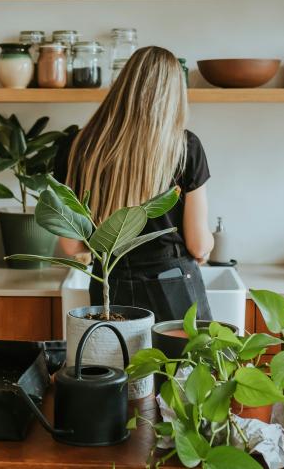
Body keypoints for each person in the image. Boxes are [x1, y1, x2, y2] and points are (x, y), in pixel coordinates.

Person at [53, 46, 214, 321]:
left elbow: (70, 245)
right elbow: (198, 244)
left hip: (109, 284)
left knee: (116, 363)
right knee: (183, 364)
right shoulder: (184, 146)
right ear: (174, 94)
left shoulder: (77, 146)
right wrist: (208, 247)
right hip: (172, 282)